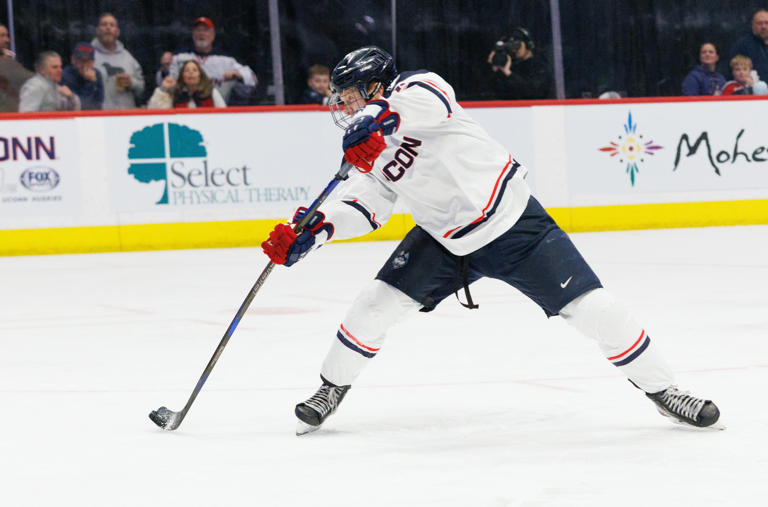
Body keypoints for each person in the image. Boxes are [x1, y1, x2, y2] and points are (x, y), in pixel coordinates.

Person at [261, 46, 722, 436]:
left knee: (597, 310)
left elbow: (429, 101)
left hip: (515, 226)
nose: (340, 105)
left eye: (347, 95)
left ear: (377, 88)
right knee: (373, 304)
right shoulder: (367, 149)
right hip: (443, 240)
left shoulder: (416, 90)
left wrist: (379, 119)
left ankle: (665, 391)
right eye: (337, 97)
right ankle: (330, 388)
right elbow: (368, 204)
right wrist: (318, 230)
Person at [169, 17, 257, 104]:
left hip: (218, 111)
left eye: (205, 30)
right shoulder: (179, 58)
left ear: (213, 35)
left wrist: (238, 75)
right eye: (198, 30)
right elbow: (164, 82)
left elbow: (252, 79)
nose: (201, 34)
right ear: (193, 34)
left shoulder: (226, 61)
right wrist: (165, 70)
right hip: (187, 109)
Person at [91, 12, 145, 109]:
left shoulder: (128, 58)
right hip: (99, 118)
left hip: (125, 116)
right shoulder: (89, 56)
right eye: (104, 24)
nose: (108, 28)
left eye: (112, 25)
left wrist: (131, 82)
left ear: (117, 32)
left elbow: (141, 89)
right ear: (98, 30)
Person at [486, 27, 552, 99]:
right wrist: (495, 69)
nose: (514, 49)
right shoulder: (511, 65)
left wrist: (509, 73)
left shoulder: (539, 66)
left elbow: (533, 92)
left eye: (517, 44)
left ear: (528, 45)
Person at [147, 59, 225, 109]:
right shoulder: (176, 95)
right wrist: (163, 89)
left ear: (200, 75)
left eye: (194, 70)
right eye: (187, 70)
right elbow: (154, 111)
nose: (191, 73)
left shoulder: (211, 93)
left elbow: (224, 115)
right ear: (182, 76)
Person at [61, 42, 104, 110]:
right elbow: (81, 106)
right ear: (73, 59)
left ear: (93, 62)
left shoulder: (97, 74)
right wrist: (90, 82)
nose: (84, 64)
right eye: (81, 60)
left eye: (88, 61)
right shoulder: (65, 74)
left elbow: (99, 103)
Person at [730, 8, 768, 84]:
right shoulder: (742, 45)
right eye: (759, 23)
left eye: (767, 23)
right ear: (753, 25)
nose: (763, 26)